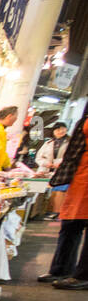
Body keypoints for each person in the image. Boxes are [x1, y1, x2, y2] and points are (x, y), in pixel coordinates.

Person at [38, 114, 88, 290]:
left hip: (83, 177)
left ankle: (82, 276)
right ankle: (61, 269)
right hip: (80, 178)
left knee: (73, 226)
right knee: (70, 224)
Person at [37, 122, 70, 218]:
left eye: (63, 128)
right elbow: (39, 157)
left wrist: (61, 164)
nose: (60, 131)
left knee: (59, 191)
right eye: (57, 129)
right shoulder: (48, 143)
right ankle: (42, 211)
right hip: (46, 170)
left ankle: (55, 212)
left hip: (62, 171)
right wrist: (46, 163)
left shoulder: (70, 142)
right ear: (53, 132)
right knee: (43, 190)